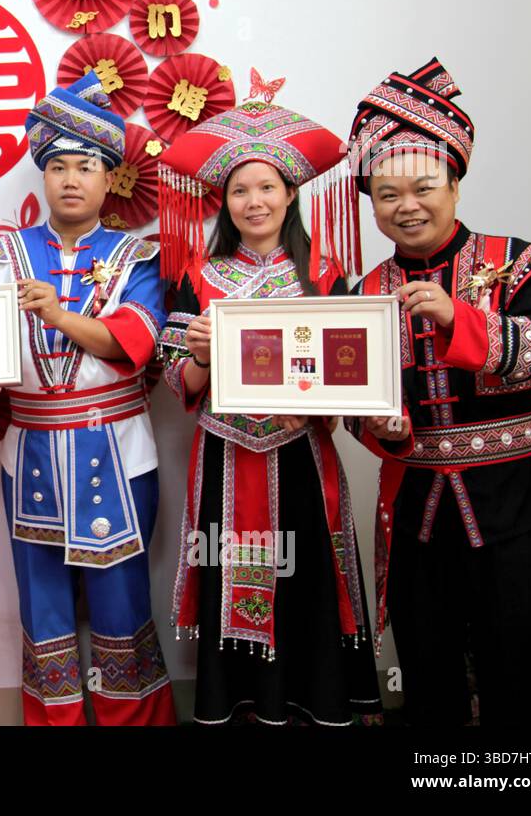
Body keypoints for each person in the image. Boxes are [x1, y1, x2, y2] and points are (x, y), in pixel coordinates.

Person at [346, 57, 531, 725]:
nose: (406, 206)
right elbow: (358, 402)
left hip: (511, 504)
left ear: (454, 181)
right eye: (387, 195)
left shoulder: (525, 260)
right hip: (417, 507)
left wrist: (459, 318)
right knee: (426, 667)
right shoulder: (363, 295)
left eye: (422, 187)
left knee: (519, 666)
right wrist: (380, 431)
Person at [156, 97, 382, 725]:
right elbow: (177, 377)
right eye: (238, 190)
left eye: (267, 187)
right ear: (222, 202)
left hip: (303, 457)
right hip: (225, 455)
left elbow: (348, 378)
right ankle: (242, 708)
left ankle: (319, 705)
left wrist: (325, 402)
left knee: (306, 582)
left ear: (290, 195)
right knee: (230, 573)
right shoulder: (197, 275)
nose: (253, 201)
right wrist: (200, 355)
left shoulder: (327, 274)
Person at [0, 72, 175, 726]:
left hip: (117, 447)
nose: (71, 178)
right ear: (42, 177)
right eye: (57, 166)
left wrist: (56, 314)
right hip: (25, 451)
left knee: (121, 603)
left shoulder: (140, 256)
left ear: (110, 178)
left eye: (86, 166)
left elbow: (132, 343)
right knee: (43, 606)